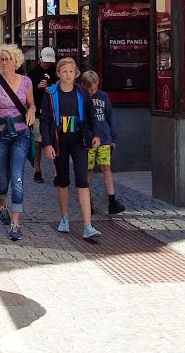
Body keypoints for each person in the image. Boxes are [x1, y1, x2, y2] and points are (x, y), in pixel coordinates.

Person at [40, 59, 102, 239]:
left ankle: (88, 225)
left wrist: (96, 135)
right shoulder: (50, 93)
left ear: (76, 74)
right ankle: (64, 218)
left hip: (79, 141)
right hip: (60, 141)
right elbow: (45, 120)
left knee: (83, 180)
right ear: (58, 73)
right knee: (63, 180)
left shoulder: (82, 93)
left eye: (71, 71)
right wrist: (47, 143)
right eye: (64, 71)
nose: (68, 75)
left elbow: (92, 117)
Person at [0, 44, 37, 242]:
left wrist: (31, 110)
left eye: (8, 59)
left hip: (21, 134)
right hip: (0, 135)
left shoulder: (26, 82)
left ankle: (15, 223)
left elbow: (31, 103)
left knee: (17, 178)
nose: (4, 63)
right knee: (3, 179)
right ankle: (2, 205)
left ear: (17, 61)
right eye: (1, 59)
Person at [81, 70, 125, 215]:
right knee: (88, 169)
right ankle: (88, 200)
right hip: (89, 140)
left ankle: (112, 200)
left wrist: (113, 137)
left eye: (94, 87)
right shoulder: (82, 97)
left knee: (106, 167)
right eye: (90, 88)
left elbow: (110, 116)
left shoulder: (103, 96)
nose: (92, 90)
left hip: (104, 137)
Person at [28, 48, 57, 184]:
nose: (48, 65)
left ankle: (57, 172)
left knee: (54, 141)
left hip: (54, 112)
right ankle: (37, 170)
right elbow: (27, 93)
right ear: (40, 59)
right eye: (45, 62)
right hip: (39, 111)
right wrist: (37, 87)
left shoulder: (56, 71)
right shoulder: (33, 73)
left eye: (49, 62)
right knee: (38, 142)